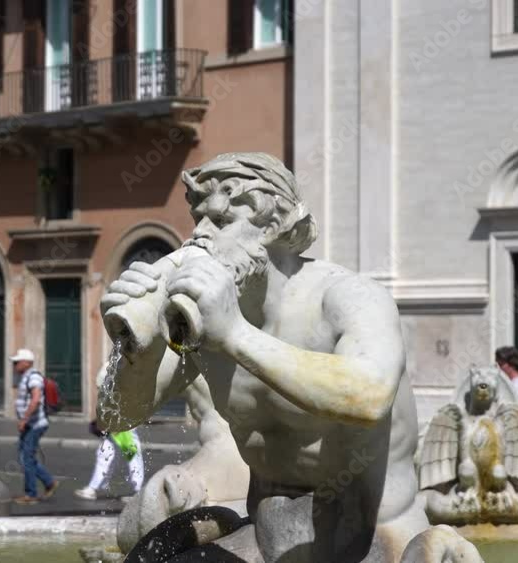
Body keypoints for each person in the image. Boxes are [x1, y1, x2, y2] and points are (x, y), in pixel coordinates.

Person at [97, 153, 429, 562]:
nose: (198, 236)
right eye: (198, 219)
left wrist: (235, 334)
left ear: (271, 228)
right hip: (268, 534)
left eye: (221, 221)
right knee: (151, 552)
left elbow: (369, 396)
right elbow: (116, 416)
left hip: (376, 538)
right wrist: (140, 352)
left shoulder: (348, 298)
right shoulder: (201, 316)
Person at [75, 366, 145, 501]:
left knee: (132, 456)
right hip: (115, 423)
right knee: (105, 453)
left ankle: (138, 492)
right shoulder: (117, 369)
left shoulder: (122, 374)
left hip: (122, 425)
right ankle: (93, 488)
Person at [11, 348, 58, 505]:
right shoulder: (26, 376)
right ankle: (49, 482)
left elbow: (36, 399)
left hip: (34, 424)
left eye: (17, 362)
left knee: (27, 458)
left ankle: (31, 494)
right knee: (25, 457)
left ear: (26, 363)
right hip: (30, 424)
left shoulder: (33, 377)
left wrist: (24, 419)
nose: (14, 365)